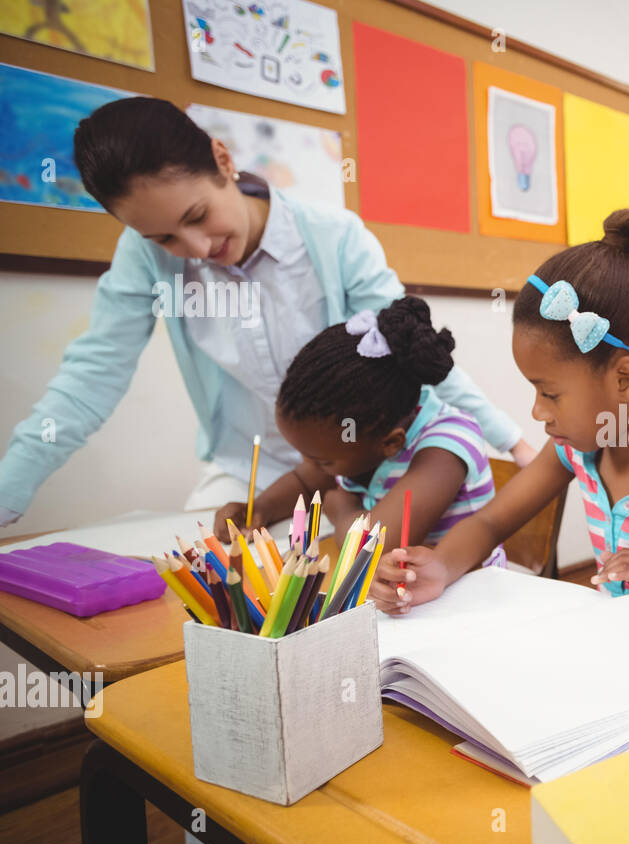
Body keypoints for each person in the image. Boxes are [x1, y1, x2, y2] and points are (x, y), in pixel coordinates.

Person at [0, 97, 532, 531]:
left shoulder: (333, 238)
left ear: (224, 161)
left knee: (330, 607)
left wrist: (512, 440)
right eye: (163, 237)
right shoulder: (145, 259)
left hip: (357, 464)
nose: (195, 246)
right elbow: (90, 377)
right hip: (252, 471)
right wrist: (8, 493)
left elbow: (410, 346)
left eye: (197, 216)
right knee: (203, 592)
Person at [369, 210, 629, 615]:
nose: (537, 413)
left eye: (549, 394)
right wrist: (438, 568)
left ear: (625, 380)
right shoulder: (577, 452)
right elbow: (489, 525)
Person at [236, 296, 503, 567]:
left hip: (470, 593)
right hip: (399, 592)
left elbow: (371, 548)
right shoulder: (356, 438)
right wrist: (258, 509)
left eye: (322, 461)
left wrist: (342, 510)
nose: (311, 466)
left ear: (390, 443)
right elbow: (306, 482)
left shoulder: (446, 448)